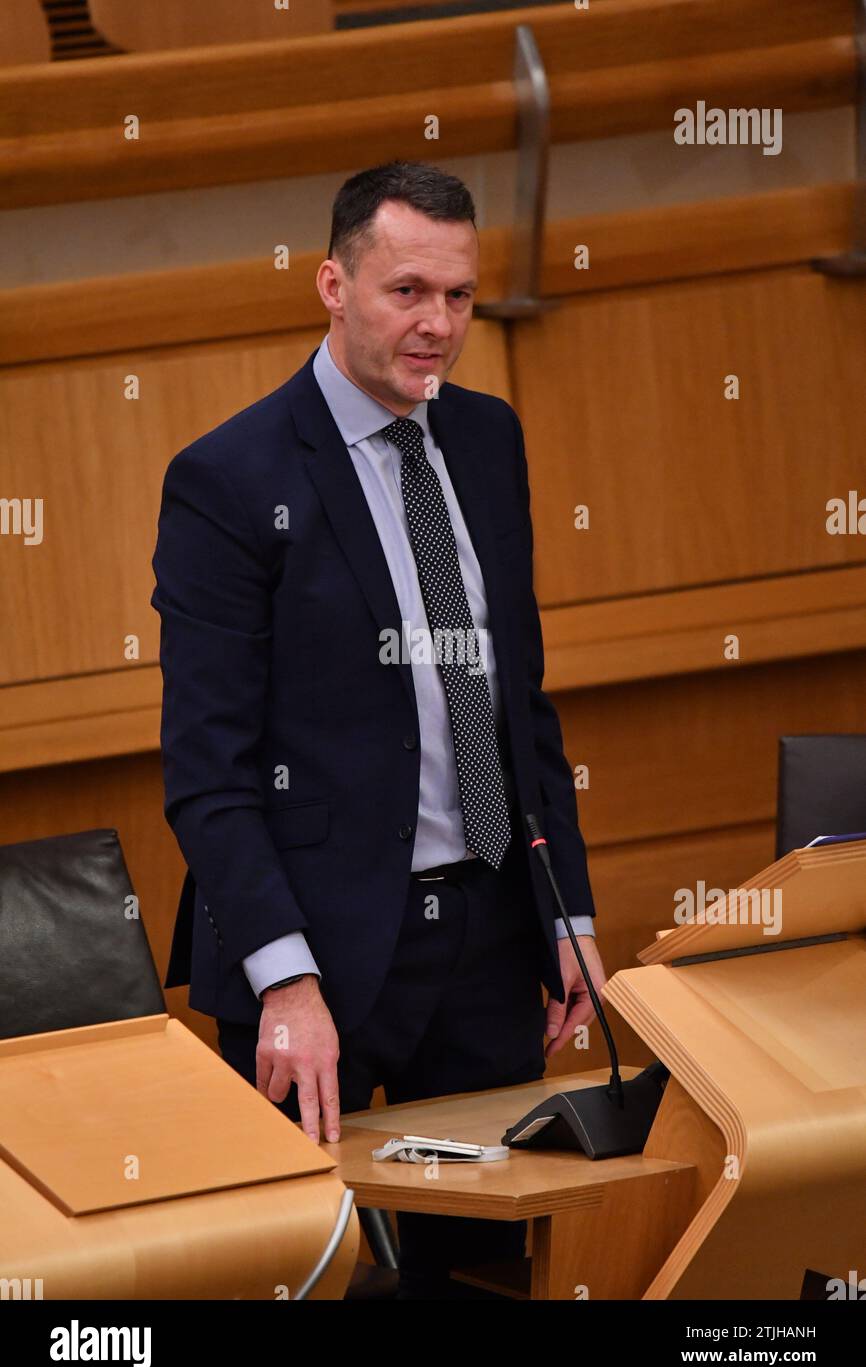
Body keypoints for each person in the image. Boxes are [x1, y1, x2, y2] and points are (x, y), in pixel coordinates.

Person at [151, 159, 606, 1299]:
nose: (436, 325)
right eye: (407, 290)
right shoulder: (224, 477)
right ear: (331, 284)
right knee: (316, 1275)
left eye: (457, 296)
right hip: (317, 961)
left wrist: (568, 913)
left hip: (490, 939)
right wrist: (285, 986)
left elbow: (520, 703)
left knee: (497, 1270)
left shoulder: (489, 440)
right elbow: (208, 771)